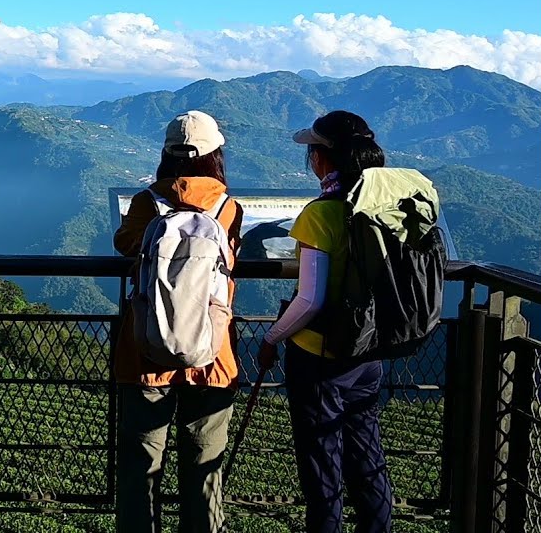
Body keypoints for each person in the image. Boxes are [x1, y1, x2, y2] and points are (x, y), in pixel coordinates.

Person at [257, 110, 393, 533]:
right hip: (369, 352)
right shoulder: (383, 208)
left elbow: (310, 300)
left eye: (312, 152)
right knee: (367, 456)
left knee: (322, 467)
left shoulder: (320, 215)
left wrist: (272, 337)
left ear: (322, 159)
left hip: (320, 357)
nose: (310, 159)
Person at [114, 110, 244, 533]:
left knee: (141, 466)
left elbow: (125, 244)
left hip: (146, 350)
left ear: (167, 154)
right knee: (205, 463)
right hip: (212, 352)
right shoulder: (229, 208)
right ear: (214, 156)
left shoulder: (146, 203)